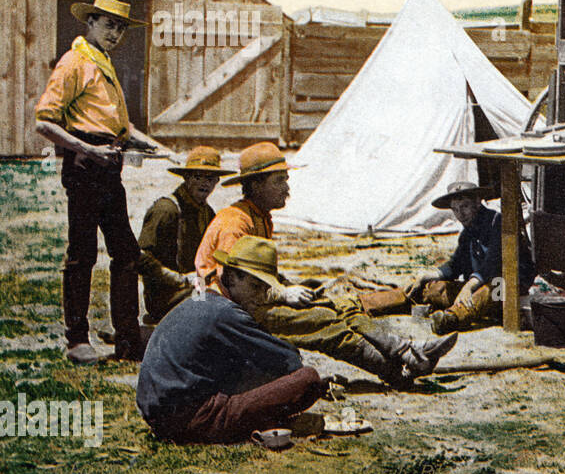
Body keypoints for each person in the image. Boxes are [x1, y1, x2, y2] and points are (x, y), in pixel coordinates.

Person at [194, 142, 456, 387]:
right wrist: (283, 293)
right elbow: (231, 281)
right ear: (256, 185)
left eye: (286, 179)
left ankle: (406, 351)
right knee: (325, 321)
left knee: (342, 304)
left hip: (253, 298)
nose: (287, 188)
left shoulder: (260, 217)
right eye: (279, 181)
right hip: (228, 310)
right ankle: (397, 372)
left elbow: (259, 274)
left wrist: (291, 287)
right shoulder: (236, 222)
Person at [33, 0, 153, 365]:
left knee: (126, 253)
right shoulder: (75, 62)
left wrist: (159, 147)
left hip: (109, 164)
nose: (115, 33)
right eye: (108, 24)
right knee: (82, 254)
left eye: (120, 28)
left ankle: (128, 338)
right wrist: (86, 148)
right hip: (85, 166)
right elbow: (44, 121)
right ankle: (77, 340)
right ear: (90, 23)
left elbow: (121, 127)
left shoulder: (104, 64)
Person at [136, 236, 329, 444]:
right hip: (187, 420)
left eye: (266, 290)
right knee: (308, 379)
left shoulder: (201, 298)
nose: (260, 296)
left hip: (158, 413)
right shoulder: (226, 313)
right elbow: (289, 362)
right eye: (255, 287)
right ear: (231, 277)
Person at [407, 181, 536, 335]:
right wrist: (426, 276)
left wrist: (468, 287)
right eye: (455, 209)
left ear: (477, 202)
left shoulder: (498, 222)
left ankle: (451, 318)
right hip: (479, 287)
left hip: (510, 290)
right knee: (434, 288)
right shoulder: (467, 233)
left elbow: (492, 263)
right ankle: (383, 303)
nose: (460, 214)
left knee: (492, 287)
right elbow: (455, 266)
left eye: (465, 207)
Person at [137, 147, 233, 325]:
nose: (204, 184)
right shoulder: (167, 209)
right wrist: (178, 279)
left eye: (210, 179)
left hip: (197, 287)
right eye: (198, 177)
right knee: (220, 309)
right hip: (167, 295)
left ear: (217, 181)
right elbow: (140, 257)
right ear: (186, 178)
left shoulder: (206, 212)